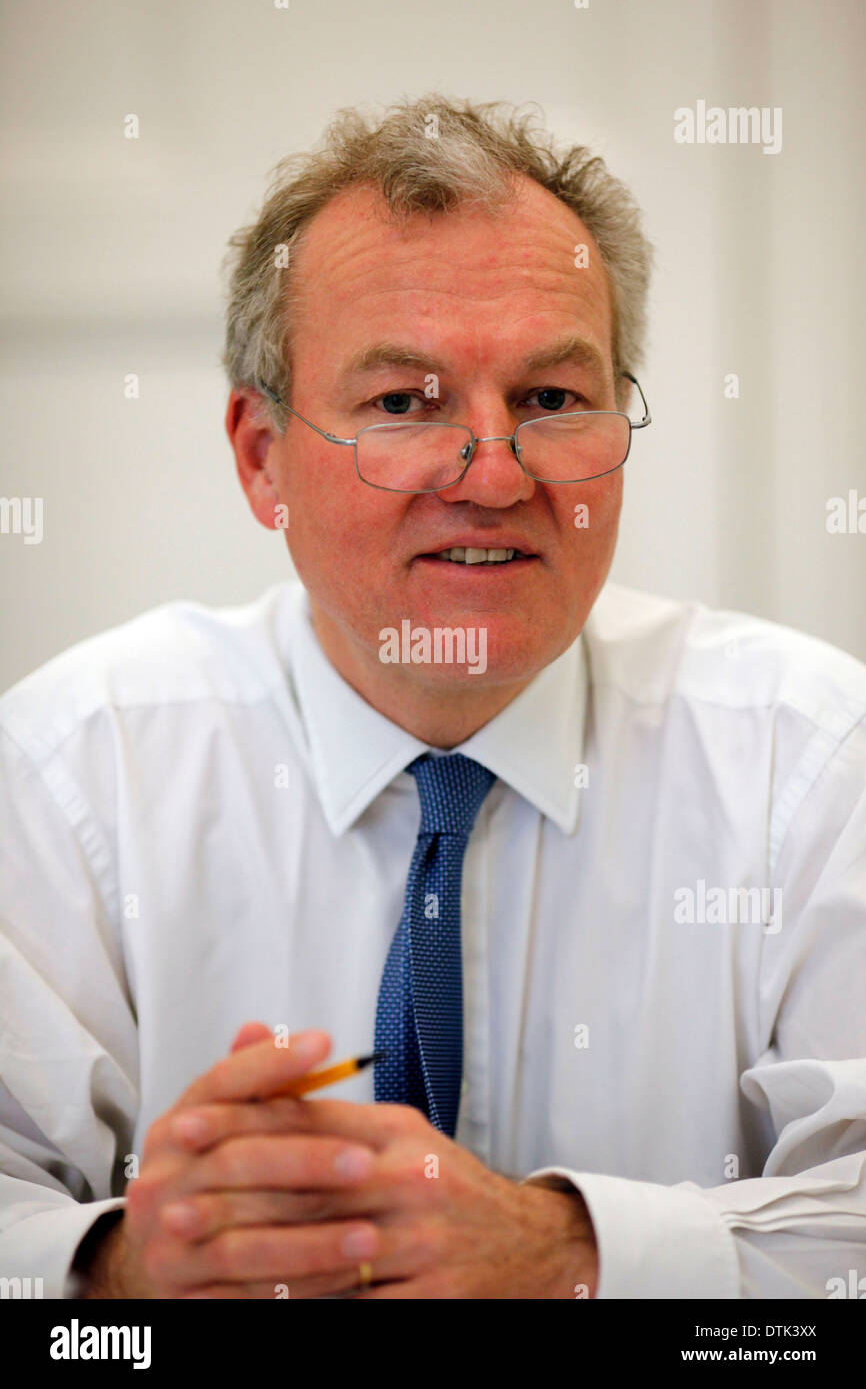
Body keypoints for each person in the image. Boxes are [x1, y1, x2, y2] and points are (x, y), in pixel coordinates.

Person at [1, 95, 864, 1301]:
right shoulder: (69, 774)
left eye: (552, 400)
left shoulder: (813, 765)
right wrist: (116, 1271)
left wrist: (567, 1256)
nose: (496, 473)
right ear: (262, 458)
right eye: (404, 404)